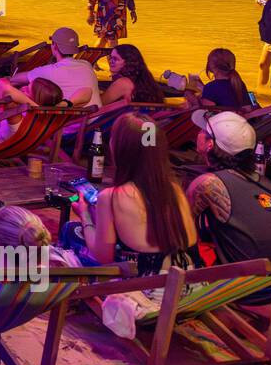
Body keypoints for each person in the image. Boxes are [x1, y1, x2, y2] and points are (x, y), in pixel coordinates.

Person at [61, 112, 198, 274]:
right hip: (190, 284)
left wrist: (84, 214)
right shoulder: (175, 189)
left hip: (149, 291)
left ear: (119, 148)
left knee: (71, 230)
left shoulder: (112, 197)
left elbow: (103, 257)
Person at [186, 111, 271, 265]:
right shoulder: (268, 185)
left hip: (248, 285)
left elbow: (177, 228)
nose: (198, 133)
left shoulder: (209, 184)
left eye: (202, 131)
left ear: (210, 144)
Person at [0, 26, 99, 107]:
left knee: (2, 85)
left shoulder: (48, 72)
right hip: (93, 121)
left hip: (69, 126)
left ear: (54, 46)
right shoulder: (87, 65)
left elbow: (13, 80)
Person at [184, 48, 250, 110]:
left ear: (212, 67)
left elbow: (206, 111)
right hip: (239, 118)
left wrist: (192, 98)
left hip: (223, 120)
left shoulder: (211, 87)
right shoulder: (239, 83)